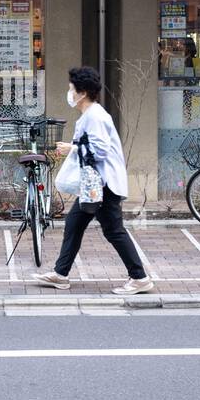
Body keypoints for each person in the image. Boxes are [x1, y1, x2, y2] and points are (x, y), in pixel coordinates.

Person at [32, 66, 153, 296]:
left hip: (103, 185)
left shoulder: (95, 116)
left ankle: (140, 277)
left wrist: (72, 148)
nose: (69, 93)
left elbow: (100, 150)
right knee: (74, 224)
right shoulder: (90, 115)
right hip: (96, 185)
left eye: (71, 88)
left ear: (83, 92)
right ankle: (61, 274)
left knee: (114, 230)